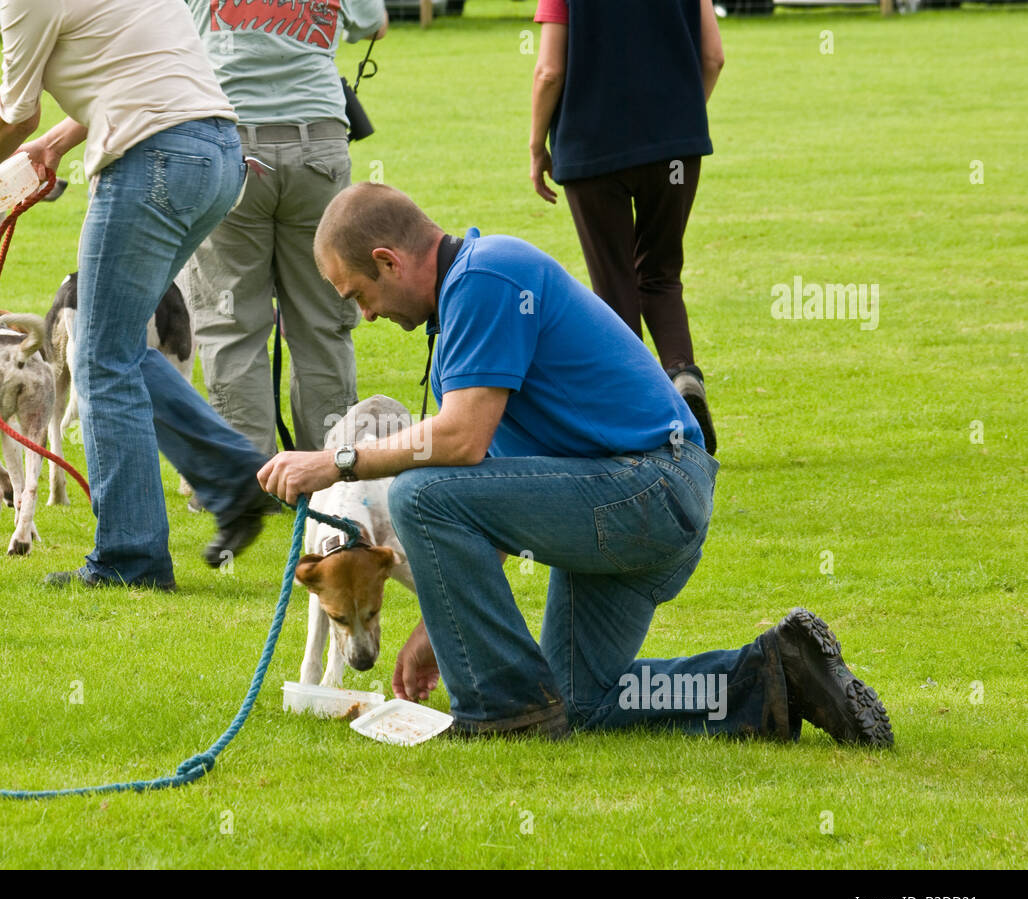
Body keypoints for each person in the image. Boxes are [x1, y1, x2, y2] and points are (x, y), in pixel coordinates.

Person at [259, 183, 893, 747]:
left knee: (419, 494)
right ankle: (777, 674)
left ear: (387, 262)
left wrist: (336, 462)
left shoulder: (485, 278)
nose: (366, 315)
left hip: (646, 490)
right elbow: (497, 494)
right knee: (578, 703)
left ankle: (501, 711)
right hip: (631, 498)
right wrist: (437, 627)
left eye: (359, 296)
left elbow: (459, 445)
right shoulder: (468, 299)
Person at [0, 0, 271, 589]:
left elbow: (14, 115)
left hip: (154, 160)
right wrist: (55, 144)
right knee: (117, 345)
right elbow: (141, 70)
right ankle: (233, 478)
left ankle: (131, 559)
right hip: (219, 154)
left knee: (99, 358)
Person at [183, 0, 388, 463]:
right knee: (323, 321)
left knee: (231, 323)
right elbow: (375, 25)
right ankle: (330, 472)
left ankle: (249, 477)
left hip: (229, 143)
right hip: (318, 145)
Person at [529, 0, 724, 455]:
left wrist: (537, 144)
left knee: (614, 284)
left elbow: (549, 71)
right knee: (661, 274)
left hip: (591, 149)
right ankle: (682, 374)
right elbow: (714, 56)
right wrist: (680, 119)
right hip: (675, 148)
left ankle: (635, 417)